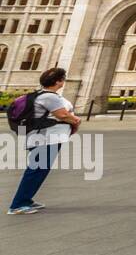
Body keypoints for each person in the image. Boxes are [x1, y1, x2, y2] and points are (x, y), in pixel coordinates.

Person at [8, 67, 81, 215]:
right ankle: (17, 205)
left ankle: (26, 199)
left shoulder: (43, 95)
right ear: (57, 81)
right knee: (36, 170)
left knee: (40, 170)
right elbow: (62, 115)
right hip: (45, 137)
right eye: (62, 79)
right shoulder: (50, 97)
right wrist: (76, 121)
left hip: (46, 137)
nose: (63, 81)